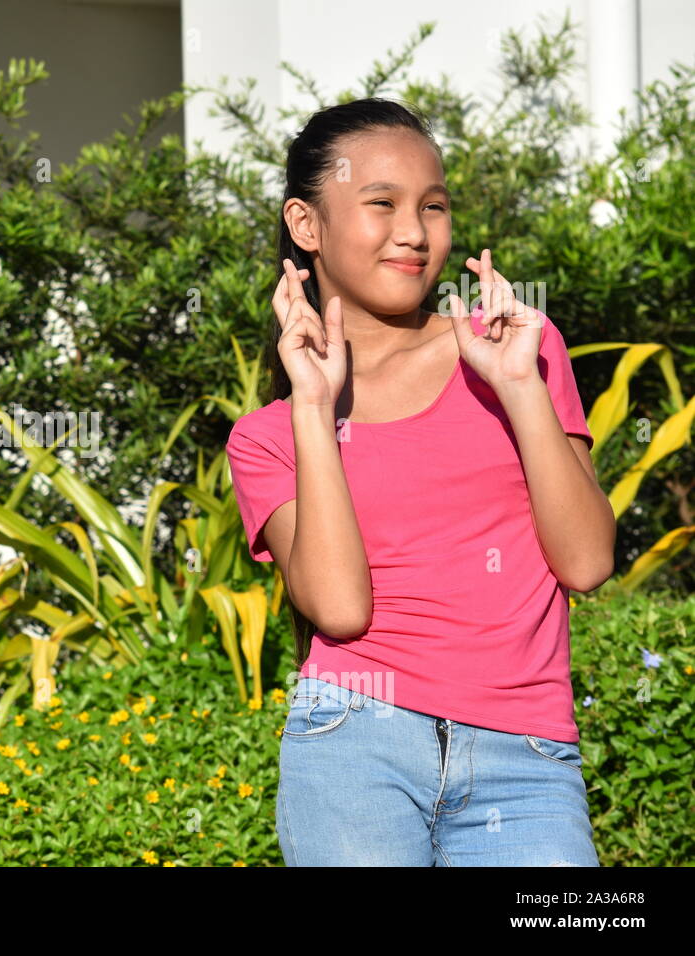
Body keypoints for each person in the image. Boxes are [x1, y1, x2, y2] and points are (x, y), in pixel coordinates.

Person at [224, 97, 616, 866]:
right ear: (306, 227)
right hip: (351, 749)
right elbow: (339, 610)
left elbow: (588, 562)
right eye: (382, 204)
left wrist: (520, 388)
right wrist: (313, 402)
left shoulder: (516, 352)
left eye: (433, 207)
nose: (414, 233)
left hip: (525, 758)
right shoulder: (268, 436)